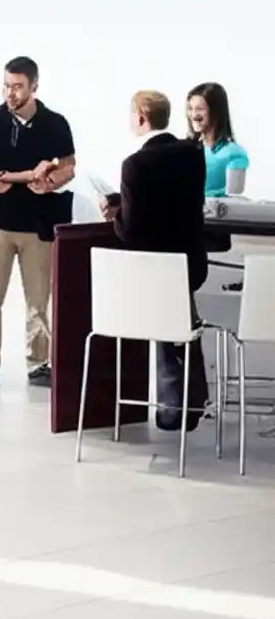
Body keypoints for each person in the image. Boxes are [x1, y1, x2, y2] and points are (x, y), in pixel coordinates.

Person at [0, 56, 76, 390]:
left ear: (34, 86)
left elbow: (69, 167)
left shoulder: (55, 123)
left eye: (18, 87)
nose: (11, 93)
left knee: (39, 302)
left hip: (39, 226)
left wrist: (52, 181)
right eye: (7, 85)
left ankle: (39, 364)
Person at [103, 90, 208, 430]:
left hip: (153, 272)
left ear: (141, 118)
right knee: (184, 330)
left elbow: (132, 230)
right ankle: (190, 404)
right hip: (189, 266)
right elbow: (175, 201)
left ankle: (173, 408)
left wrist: (115, 215)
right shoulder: (193, 154)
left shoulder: (135, 165)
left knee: (166, 333)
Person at [186, 82, 248, 197]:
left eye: (200, 108)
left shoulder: (234, 153)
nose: (193, 114)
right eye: (190, 108)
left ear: (216, 112)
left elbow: (233, 197)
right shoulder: (184, 150)